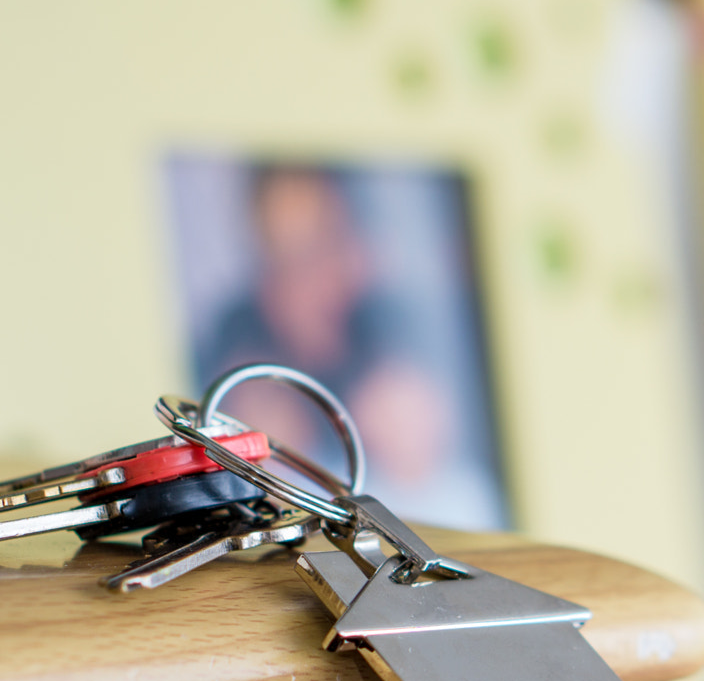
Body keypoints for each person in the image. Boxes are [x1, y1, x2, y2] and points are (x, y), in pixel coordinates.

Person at [201, 165, 504, 528]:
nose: (305, 283)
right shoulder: (235, 348)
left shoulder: (401, 327)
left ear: (361, 248)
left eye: (322, 247)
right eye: (284, 260)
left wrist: (423, 461)